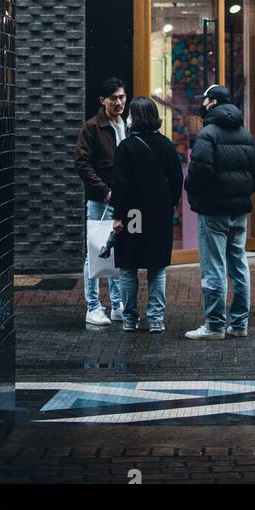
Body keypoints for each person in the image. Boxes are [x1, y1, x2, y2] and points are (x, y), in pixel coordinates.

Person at [183, 84, 255, 340]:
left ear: (213, 102)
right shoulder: (245, 134)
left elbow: (199, 172)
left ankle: (215, 325)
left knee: (213, 266)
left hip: (213, 210)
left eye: (205, 99)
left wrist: (194, 190)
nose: (202, 103)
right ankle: (239, 323)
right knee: (238, 265)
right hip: (239, 210)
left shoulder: (208, 134)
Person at [110, 97, 183, 333]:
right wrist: (168, 204)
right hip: (159, 214)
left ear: (135, 117)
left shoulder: (126, 147)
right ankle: (156, 319)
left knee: (128, 268)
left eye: (130, 114)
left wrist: (118, 217)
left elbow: (121, 185)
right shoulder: (166, 145)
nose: (127, 118)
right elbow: (176, 180)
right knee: (157, 267)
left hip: (132, 215)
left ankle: (130, 319)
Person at [74, 76, 127, 328]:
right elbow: (82, 164)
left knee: (117, 252)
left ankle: (117, 304)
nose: (119, 102)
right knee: (96, 251)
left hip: (123, 198)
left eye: (122, 97)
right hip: (100, 199)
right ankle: (93, 306)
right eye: (114, 98)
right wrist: (104, 190)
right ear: (102, 100)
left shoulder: (127, 124)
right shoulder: (93, 127)